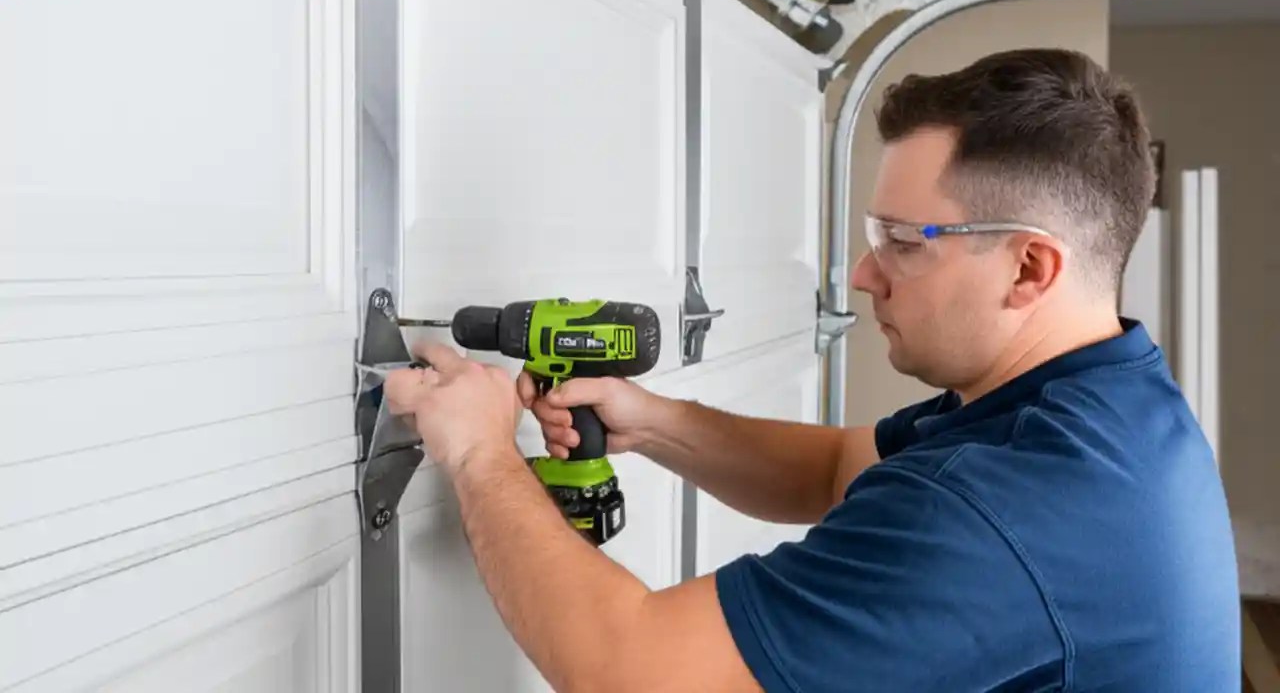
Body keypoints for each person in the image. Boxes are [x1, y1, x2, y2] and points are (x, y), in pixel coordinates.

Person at [384, 48, 1239, 692]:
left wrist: (478, 452)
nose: (865, 276)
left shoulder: (1008, 510)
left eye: (902, 244)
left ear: (1029, 269)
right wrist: (652, 421)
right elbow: (837, 467)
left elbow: (629, 673)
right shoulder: (1100, 401)